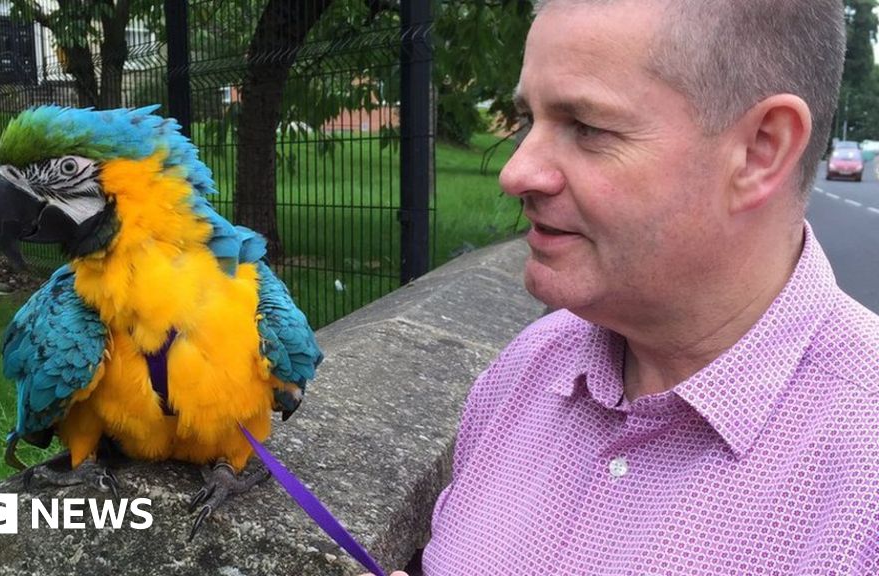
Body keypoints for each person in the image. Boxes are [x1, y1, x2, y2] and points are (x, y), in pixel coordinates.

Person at [368, 0, 879, 574]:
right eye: (528, 119)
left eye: (587, 127)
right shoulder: (525, 370)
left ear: (761, 150)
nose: (516, 173)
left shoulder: (862, 484)